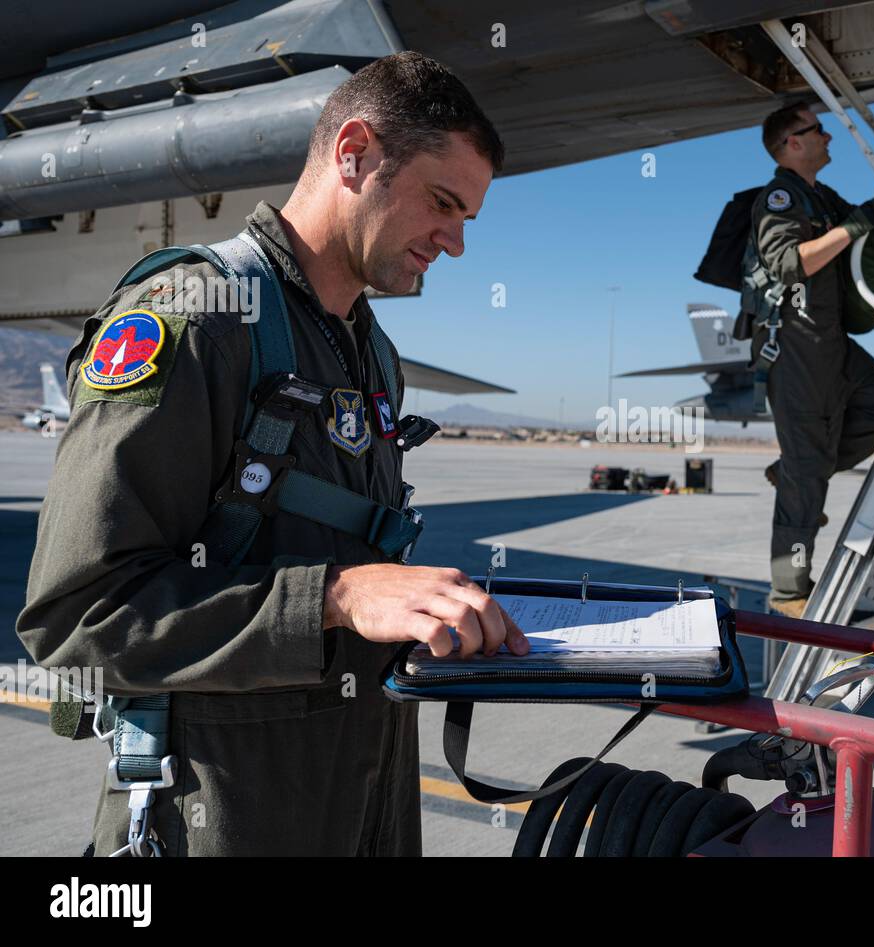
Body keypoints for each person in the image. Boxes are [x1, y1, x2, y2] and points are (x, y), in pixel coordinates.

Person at [17, 52, 529, 856]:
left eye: (467, 216)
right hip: (224, 810)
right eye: (442, 202)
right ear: (353, 153)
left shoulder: (370, 353)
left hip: (366, 798)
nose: (456, 243)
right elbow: (79, 617)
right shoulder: (196, 320)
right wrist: (334, 595)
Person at [750, 102, 874, 618]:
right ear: (792, 142)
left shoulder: (821, 197)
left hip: (829, 340)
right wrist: (855, 226)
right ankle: (789, 590)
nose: (828, 138)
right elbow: (790, 263)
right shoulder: (781, 196)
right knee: (807, 472)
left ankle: (797, 466)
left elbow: (866, 219)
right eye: (818, 131)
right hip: (795, 343)